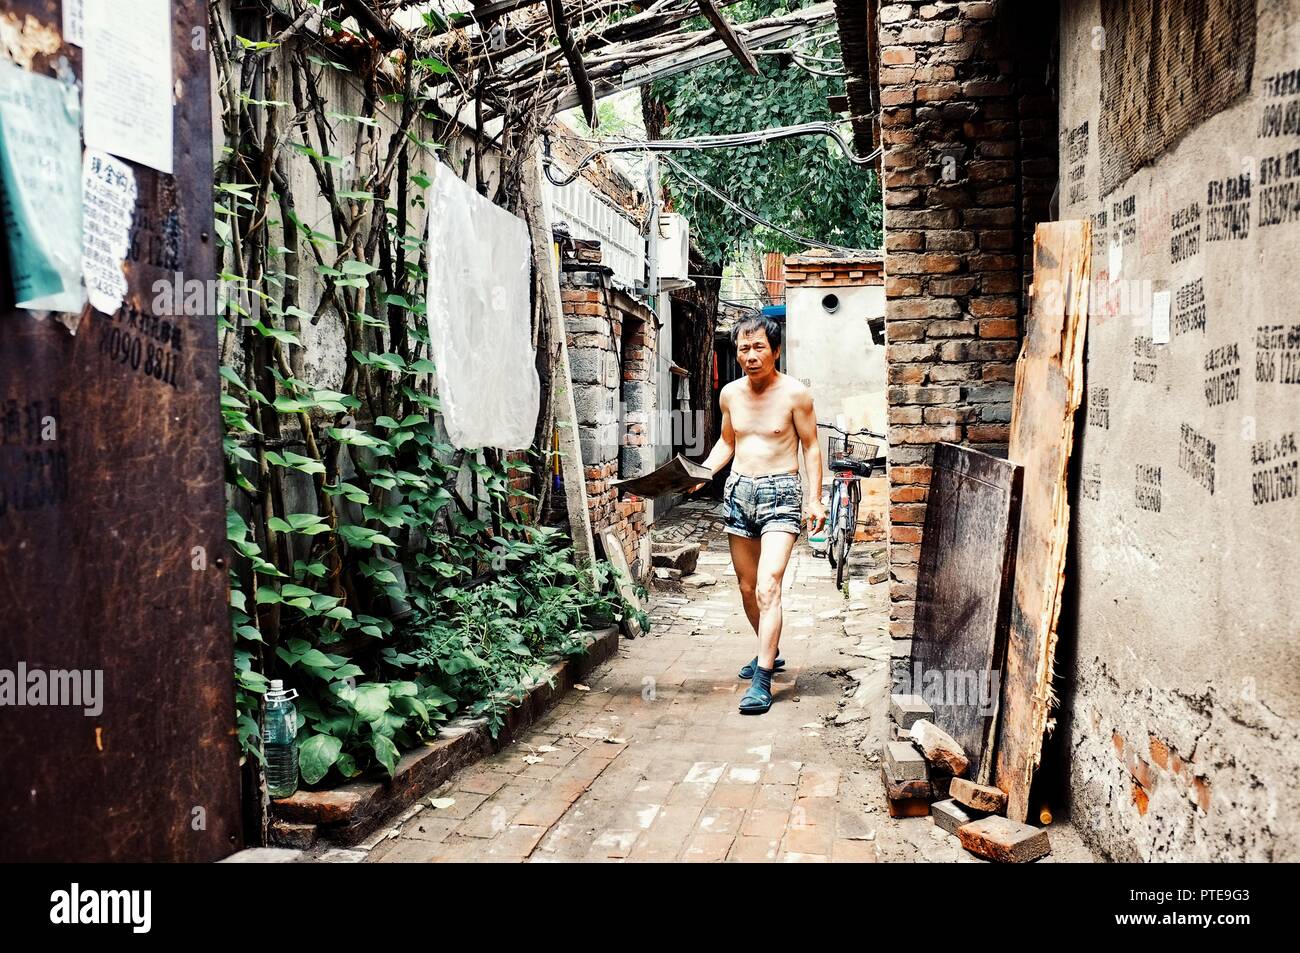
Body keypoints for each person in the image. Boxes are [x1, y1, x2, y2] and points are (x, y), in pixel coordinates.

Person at [687, 314, 825, 714]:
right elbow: (727, 443)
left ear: (776, 350)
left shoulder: (796, 395)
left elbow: (812, 447)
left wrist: (814, 499)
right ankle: (770, 647)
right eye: (743, 348)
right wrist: (701, 474)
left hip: (781, 494)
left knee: (768, 586)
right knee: (747, 589)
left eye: (758, 347)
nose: (750, 355)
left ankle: (763, 678)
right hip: (738, 493)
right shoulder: (730, 394)